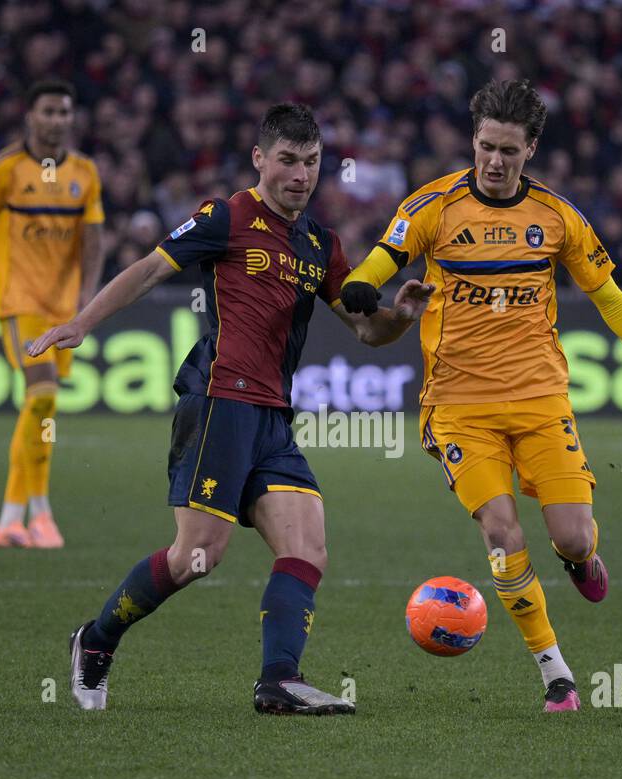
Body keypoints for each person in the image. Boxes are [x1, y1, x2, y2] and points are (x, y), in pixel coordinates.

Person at [28, 103, 434, 714]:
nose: (301, 175)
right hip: (221, 400)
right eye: (288, 161)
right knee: (197, 555)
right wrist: (82, 322)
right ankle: (97, 638)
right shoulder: (228, 216)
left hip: (273, 415)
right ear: (260, 160)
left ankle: (279, 682)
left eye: (312, 162)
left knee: (308, 545)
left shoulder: (322, 243)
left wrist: (400, 316)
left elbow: (365, 331)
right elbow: (147, 270)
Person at [340, 79, 622, 713]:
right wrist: (361, 287)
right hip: (457, 406)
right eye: (485, 146)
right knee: (503, 533)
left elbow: (610, 299)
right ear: (473, 140)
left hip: (541, 400)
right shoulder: (434, 205)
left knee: (570, 538)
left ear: (531, 149)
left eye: (509, 151)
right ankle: (556, 675)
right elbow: (382, 257)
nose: (494, 161)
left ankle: (582, 559)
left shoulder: (558, 217)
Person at [0, 80, 105, 549]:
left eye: (64, 112)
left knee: (44, 407)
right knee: (41, 397)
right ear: (29, 117)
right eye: (49, 111)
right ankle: (27, 514)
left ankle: (23, 518)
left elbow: (94, 241)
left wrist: (88, 301)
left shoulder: (84, 173)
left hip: (64, 313)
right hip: (19, 304)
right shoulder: (2, 169)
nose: (58, 120)